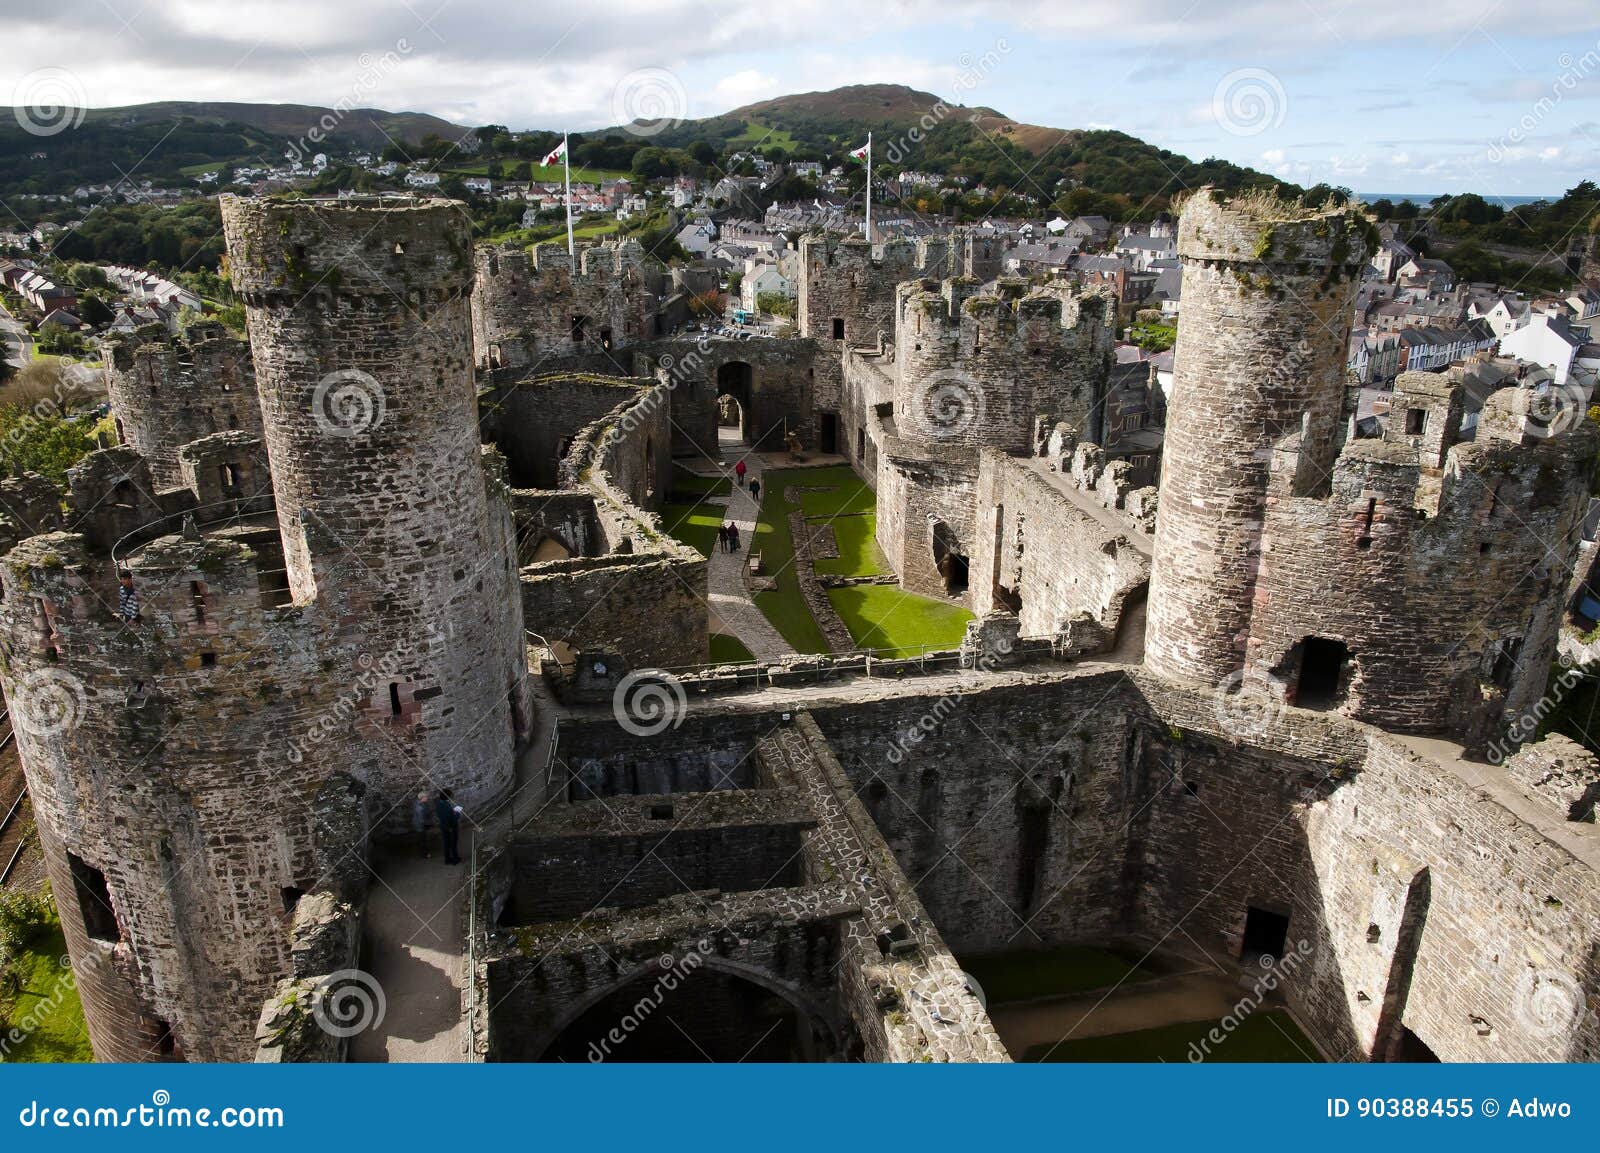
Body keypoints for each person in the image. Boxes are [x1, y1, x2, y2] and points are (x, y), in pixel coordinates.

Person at [435, 789, 463, 865]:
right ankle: (455, 859)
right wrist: (457, 813)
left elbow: (443, 814)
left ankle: (447, 859)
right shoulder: (446, 805)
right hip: (450, 827)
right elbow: (452, 818)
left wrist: (452, 812)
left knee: (446, 843)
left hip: (443, 826)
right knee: (453, 844)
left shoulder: (438, 803)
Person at [412, 791, 433, 859]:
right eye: (426, 797)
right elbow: (422, 821)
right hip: (420, 826)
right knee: (423, 840)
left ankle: (424, 851)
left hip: (417, 822)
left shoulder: (417, 801)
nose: (427, 798)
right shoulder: (420, 808)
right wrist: (430, 823)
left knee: (422, 839)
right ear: (422, 798)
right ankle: (425, 854)